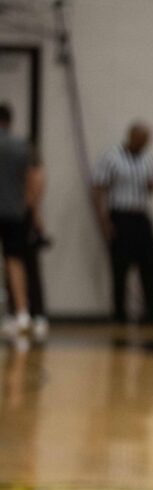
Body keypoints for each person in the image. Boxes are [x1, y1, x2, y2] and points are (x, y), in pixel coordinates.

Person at [92, 121, 153, 324]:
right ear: (131, 137)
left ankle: (152, 311)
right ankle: (119, 313)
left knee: (149, 264)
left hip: (141, 214)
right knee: (120, 266)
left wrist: (152, 186)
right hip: (120, 216)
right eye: (141, 140)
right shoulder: (111, 156)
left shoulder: (148, 158)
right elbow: (98, 188)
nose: (143, 144)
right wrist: (104, 221)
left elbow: (152, 185)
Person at [0, 103, 37, 338]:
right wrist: (29, 207)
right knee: (15, 261)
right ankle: (22, 313)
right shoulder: (21, 146)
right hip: (14, 212)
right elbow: (33, 179)